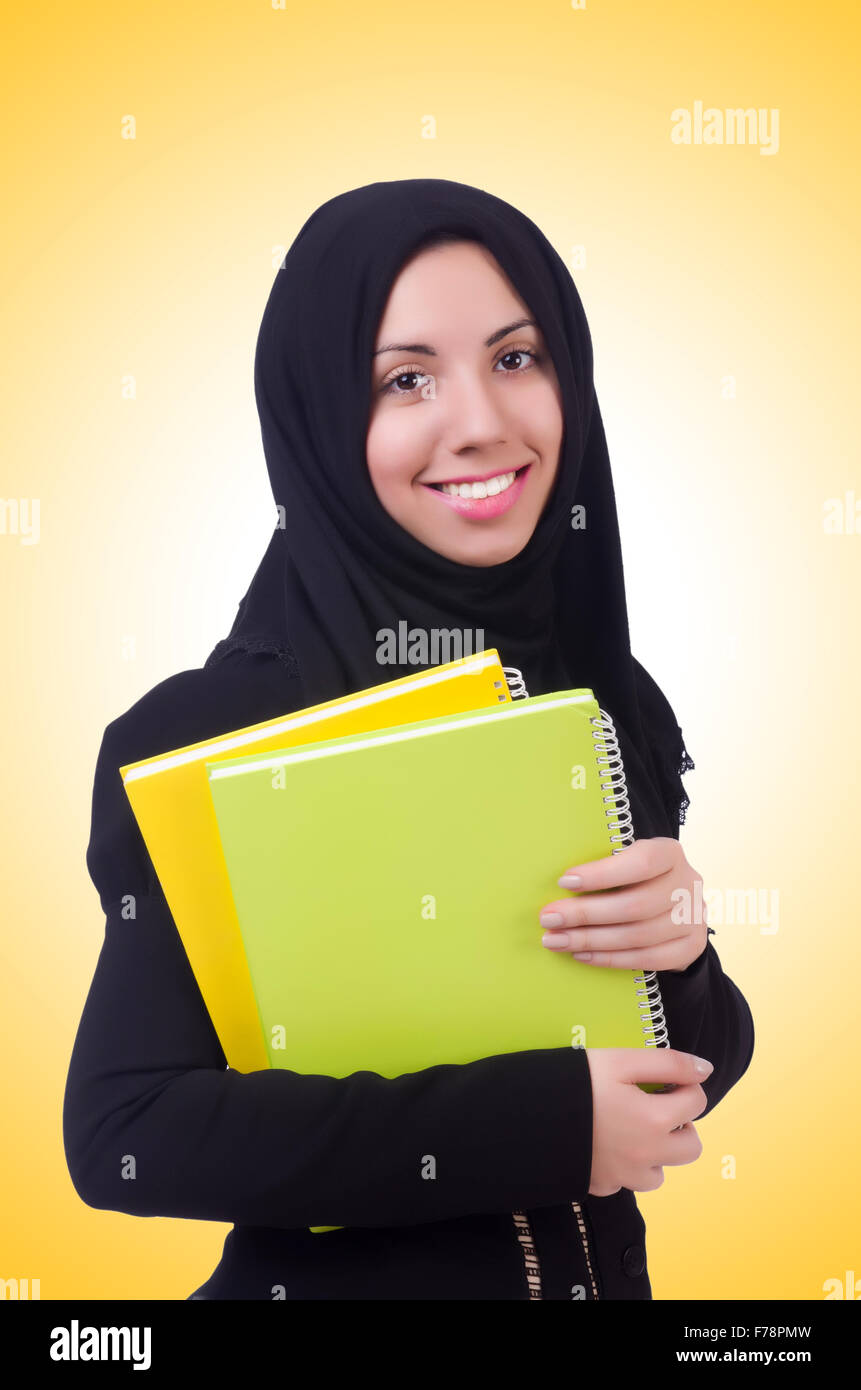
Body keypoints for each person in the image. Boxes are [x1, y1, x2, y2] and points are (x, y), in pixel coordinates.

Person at [63, 178, 754, 1300]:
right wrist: (539, 1124)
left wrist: (683, 946)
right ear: (321, 419)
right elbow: (127, 1131)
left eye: (518, 357)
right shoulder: (212, 734)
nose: (481, 420)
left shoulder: (599, 693)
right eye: (406, 379)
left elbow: (676, 1074)